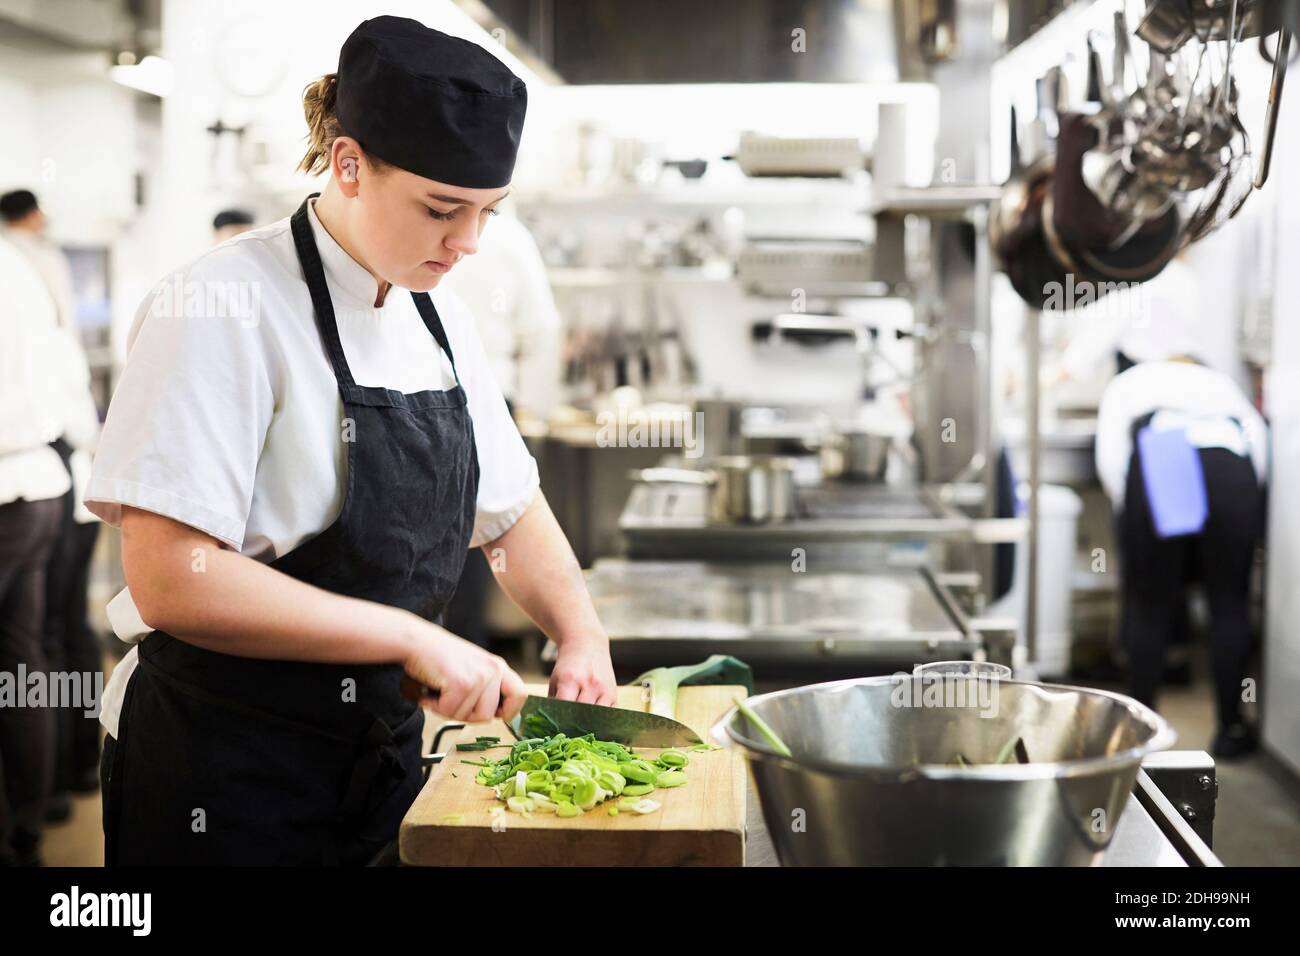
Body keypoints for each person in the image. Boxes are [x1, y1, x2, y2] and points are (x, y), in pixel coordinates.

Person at [86, 16, 617, 866]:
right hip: (224, 770)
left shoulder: (439, 318)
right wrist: (410, 637)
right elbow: (171, 577)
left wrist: (579, 630)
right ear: (348, 166)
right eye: (441, 209)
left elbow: (510, 511)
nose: (468, 243)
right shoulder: (223, 306)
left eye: (488, 212)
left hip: (377, 762)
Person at [1095, 355, 1268, 758]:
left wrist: (1132, 511)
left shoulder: (1132, 380)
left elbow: (1111, 459)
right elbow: (1258, 447)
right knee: (1229, 602)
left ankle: (1141, 736)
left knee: (1148, 605)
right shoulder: (1220, 382)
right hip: (1228, 460)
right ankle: (1230, 730)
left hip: (1164, 452)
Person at [2, 189, 103, 821]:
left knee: (51, 639)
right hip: (51, 485)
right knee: (42, 643)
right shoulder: (28, 277)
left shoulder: (24, 269)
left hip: (36, 485)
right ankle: (48, 801)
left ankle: (64, 782)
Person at [442, 205, 563, 647]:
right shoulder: (512, 238)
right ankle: (464, 647)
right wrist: (535, 407)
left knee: (452, 530)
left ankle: (450, 653)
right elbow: (542, 329)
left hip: (442, 396)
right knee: (473, 536)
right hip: (495, 392)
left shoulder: (437, 232)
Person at [0, 232, 81, 865]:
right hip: (37, 482)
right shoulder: (17, 263)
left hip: (10, 487)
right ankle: (28, 823)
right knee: (22, 658)